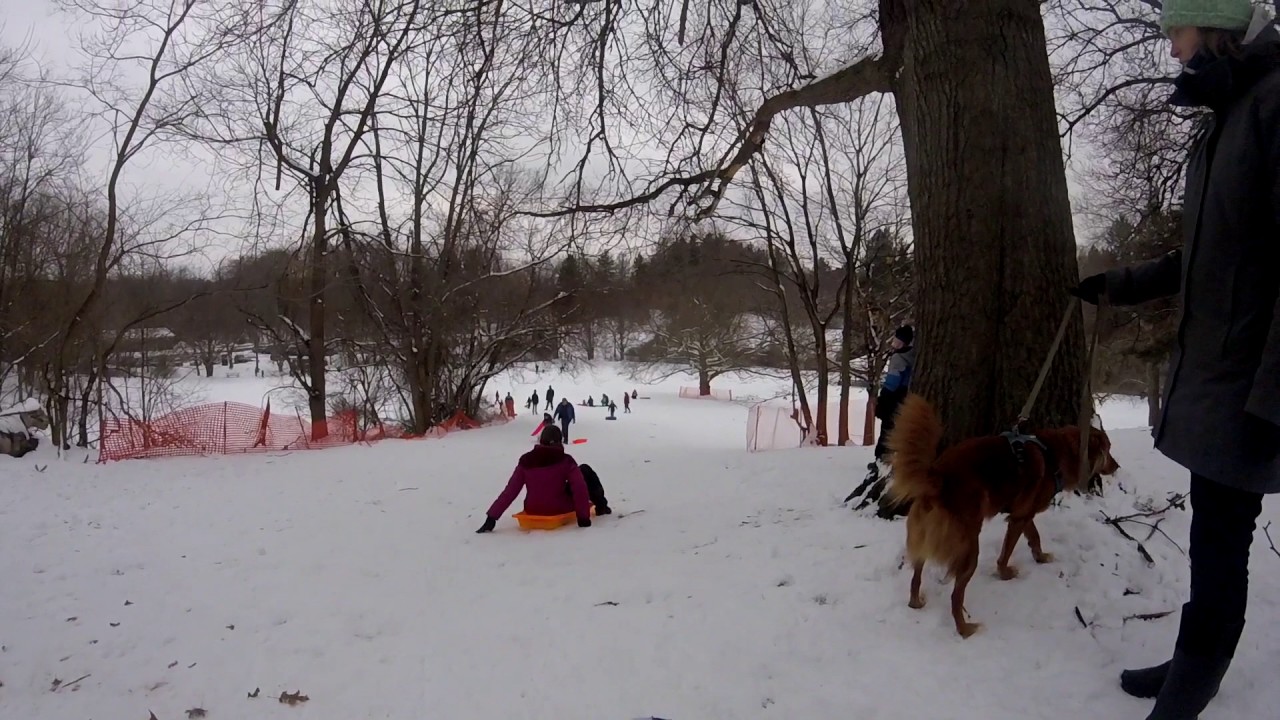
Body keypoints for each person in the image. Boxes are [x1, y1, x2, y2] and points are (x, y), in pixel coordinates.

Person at [1071, 6, 1280, 718]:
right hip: (1221, 371)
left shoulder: (1274, 106)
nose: (1171, 50)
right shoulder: (1230, 117)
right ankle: (1194, 662)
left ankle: (1197, 676)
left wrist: (1273, 398)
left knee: (1223, 536)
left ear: (1212, 25)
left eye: (1176, 33)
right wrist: (1120, 284)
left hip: (1252, 379)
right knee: (1214, 531)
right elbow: (1212, 251)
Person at [475, 425, 610, 533]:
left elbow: (510, 491)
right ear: (559, 441)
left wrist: (491, 517)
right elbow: (579, 488)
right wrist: (583, 518)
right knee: (585, 470)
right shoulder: (566, 461)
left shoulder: (526, 461)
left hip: (533, 508)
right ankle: (601, 506)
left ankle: (600, 506)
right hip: (558, 507)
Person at [873, 324, 916, 465]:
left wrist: (883, 399)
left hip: (894, 397)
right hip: (908, 397)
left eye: (898, 342)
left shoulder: (898, 358)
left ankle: (882, 459)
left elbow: (892, 381)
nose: (895, 345)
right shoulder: (915, 355)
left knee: (887, 428)